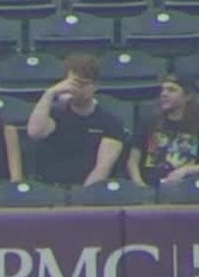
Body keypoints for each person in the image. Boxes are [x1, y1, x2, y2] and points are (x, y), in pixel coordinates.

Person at [27, 53, 126, 188]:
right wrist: (49, 93)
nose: (77, 89)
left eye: (83, 84)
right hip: (52, 189)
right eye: (73, 83)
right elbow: (35, 133)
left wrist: (81, 196)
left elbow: (102, 168)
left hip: (87, 191)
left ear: (95, 86)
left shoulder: (111, 123)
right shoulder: (55, 115)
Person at [128, 74, 199, 187]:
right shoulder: (148, 122)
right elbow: (133, 161)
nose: (164, 94)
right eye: (163, 90)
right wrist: (139, 183)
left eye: (171, 90)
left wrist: (185, 171)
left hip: (188, 189)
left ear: (187, 95)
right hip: (150, 187)